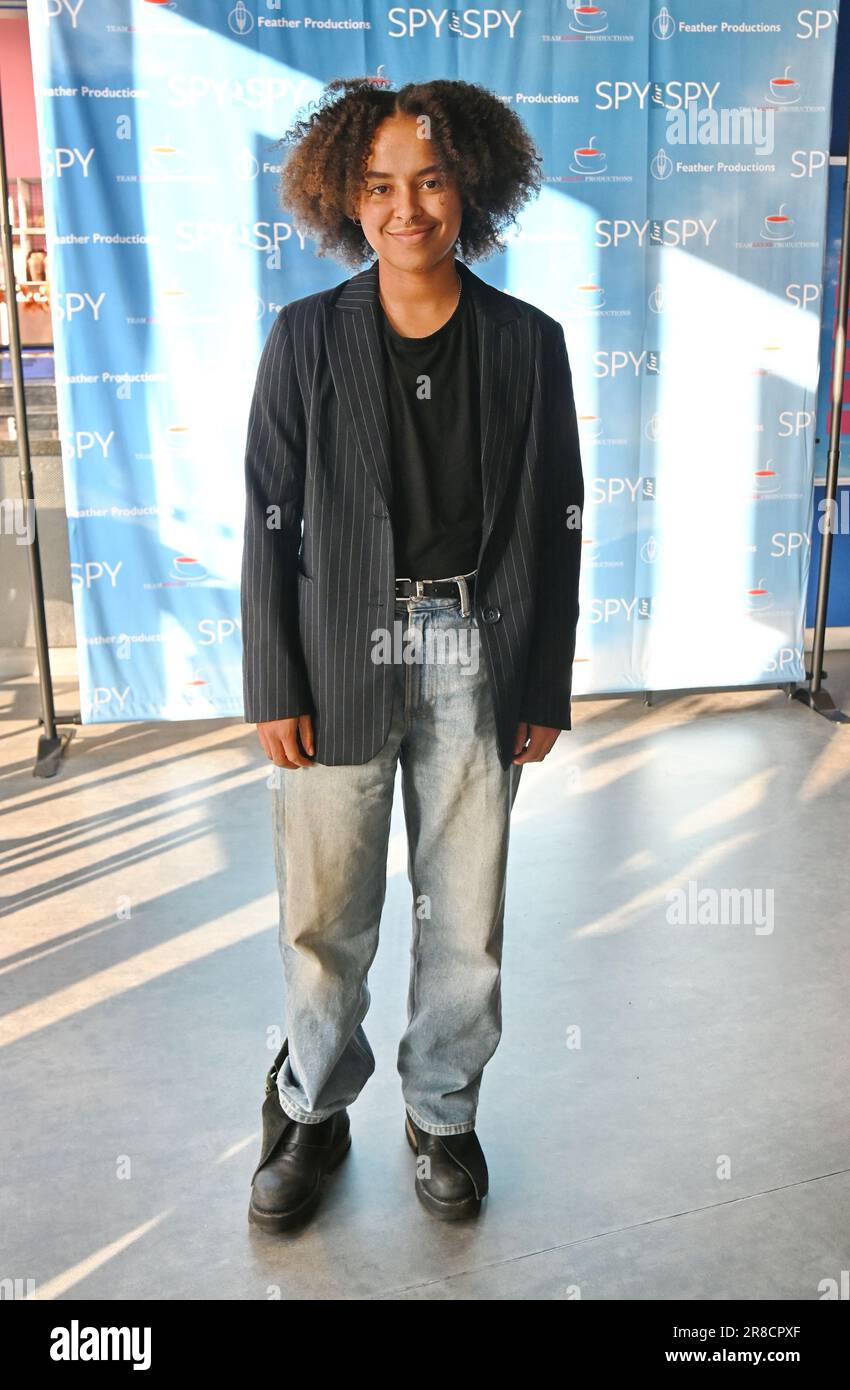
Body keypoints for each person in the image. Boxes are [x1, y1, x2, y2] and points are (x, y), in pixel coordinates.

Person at [240, 77, 583, 1232]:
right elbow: (267, 516)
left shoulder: (528, 345)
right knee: (326, 911)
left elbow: (555, 520)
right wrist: (273, 680)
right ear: (348, 198)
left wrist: (543, 683)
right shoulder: (304, 338)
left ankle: (442, 1113)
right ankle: (313, 1105)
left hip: (477, 657)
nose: (406, 208)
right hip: (339, 653)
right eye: (379, 186)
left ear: (467, 186)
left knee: (463, 913)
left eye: (428, 180)